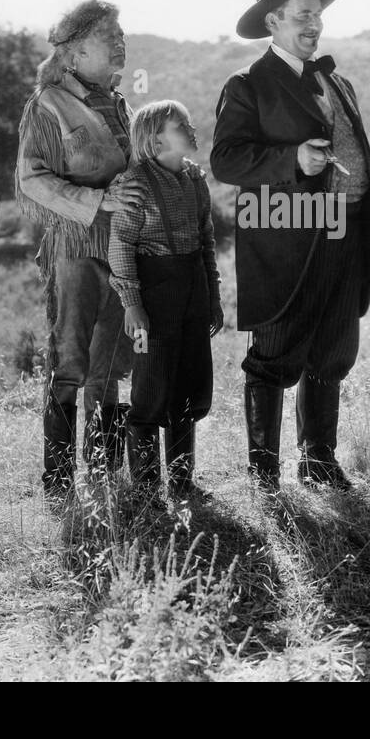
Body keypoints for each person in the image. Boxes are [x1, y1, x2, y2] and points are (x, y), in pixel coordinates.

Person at [212, 0, 370, 491]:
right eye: (303, 16)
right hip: (283, 239)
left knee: (332, 352)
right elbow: (225, 159)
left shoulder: (340, 83)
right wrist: (292, 160)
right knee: (273, 357)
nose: (314, 26)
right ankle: (263, 473)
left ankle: (318, 461)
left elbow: (364, 163)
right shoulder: (247, 84)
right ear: (273, 22)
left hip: (344, 236)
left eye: (318, 16)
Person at [15, 0, 144, 499]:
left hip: (121, 250)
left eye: (121, 31)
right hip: (75, 247)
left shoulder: (118, 103)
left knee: (110, 364)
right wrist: (97, 199)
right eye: (109, 33)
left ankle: (106, 479)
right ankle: (59, 483)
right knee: (70, 358)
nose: (120, 41)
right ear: (75, 50)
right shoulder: (47, 104)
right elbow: (31, 181)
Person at [108, 100, 223, 499]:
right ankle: (144, 490)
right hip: (153, 294)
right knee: (151, 388)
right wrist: (131, 303)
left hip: (193, 288)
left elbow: (206, 240)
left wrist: (214, 297)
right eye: (182, 125)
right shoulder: (135, 182)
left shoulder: (195, 178)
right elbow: (121, 243)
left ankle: (182, 481)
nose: (192, 129)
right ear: (157, 138)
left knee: (189, 384)